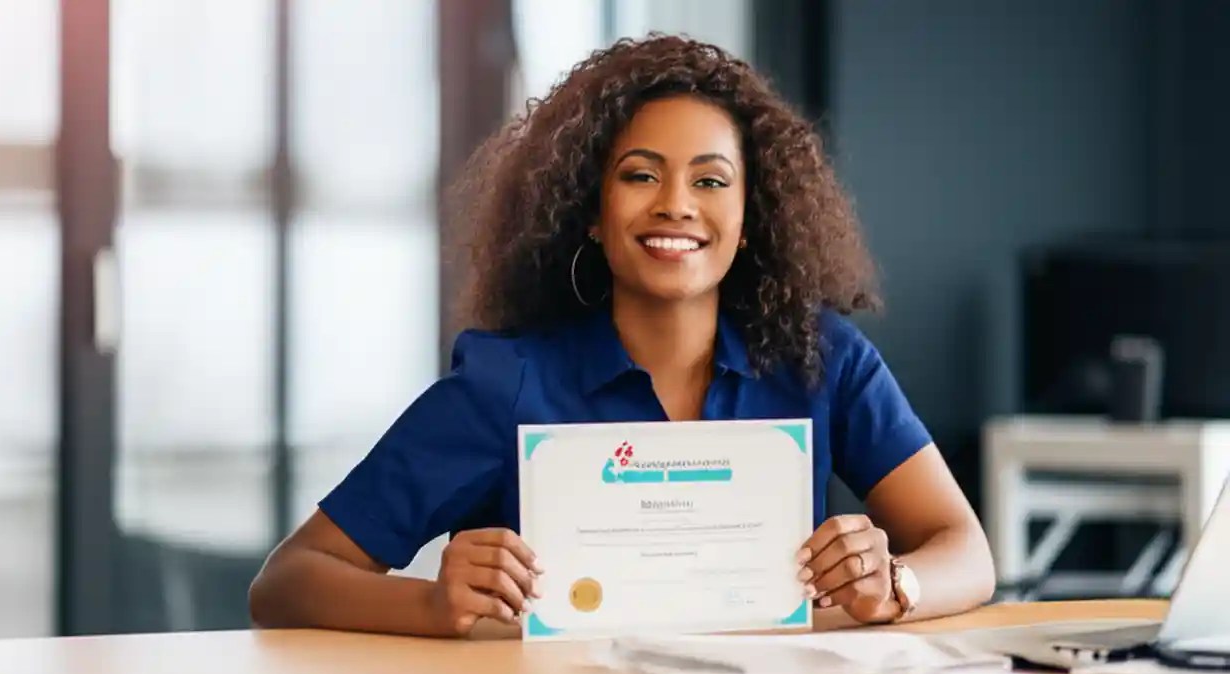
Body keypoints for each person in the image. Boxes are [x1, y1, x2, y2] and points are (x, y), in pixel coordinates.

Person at [249, 34, 995, 638]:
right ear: (590, 212)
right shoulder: (506, 383)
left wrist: (895, 584)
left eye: (710, 181)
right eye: (641, 176)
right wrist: (433, 605)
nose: (676, 205)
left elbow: (967, 553)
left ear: (750, 219)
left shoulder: (823, 359)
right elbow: (287, 582)